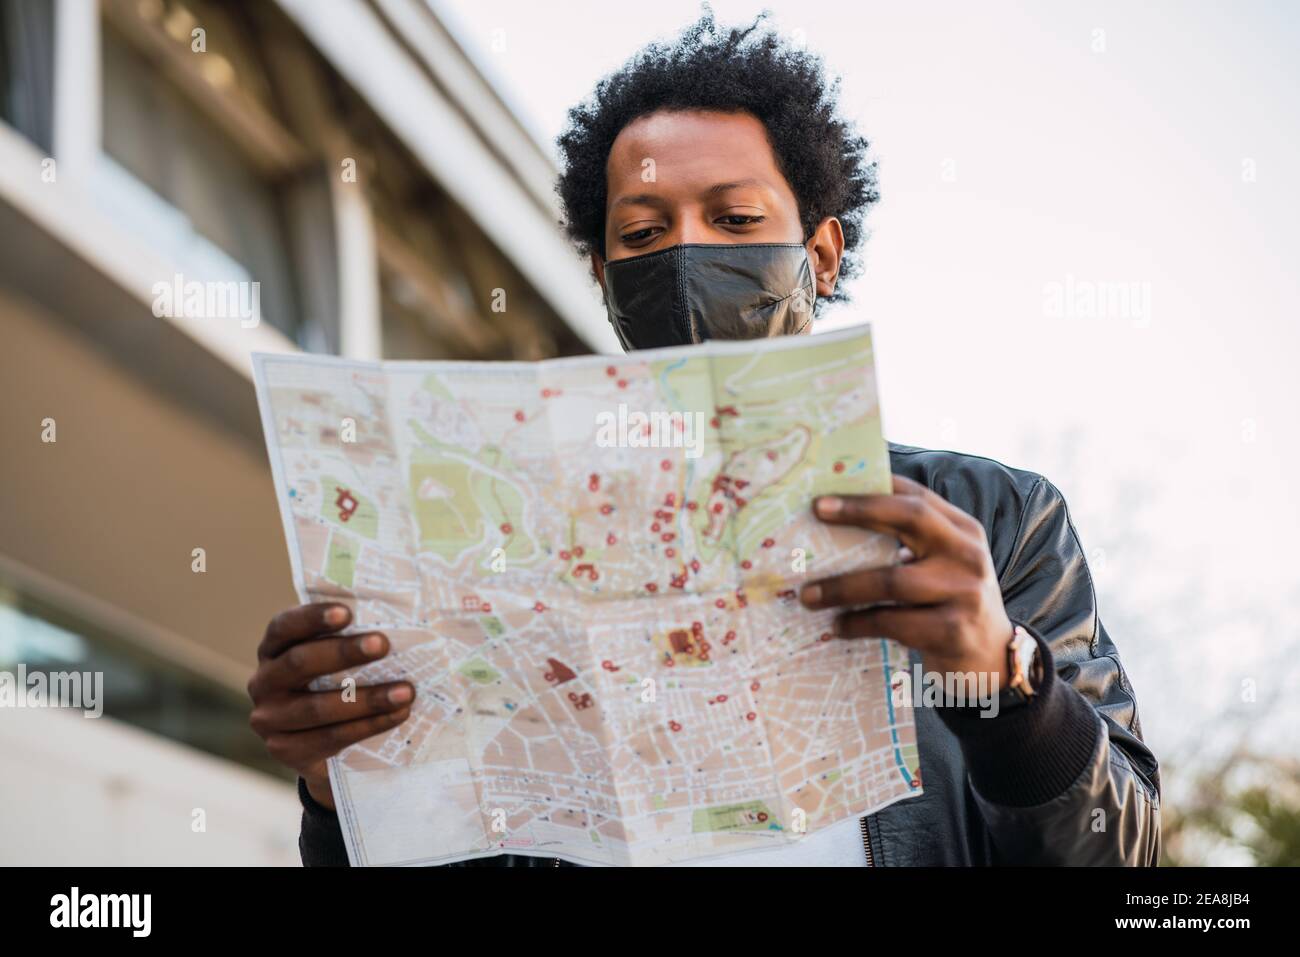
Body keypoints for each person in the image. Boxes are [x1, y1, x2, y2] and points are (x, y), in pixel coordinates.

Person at [247, 10, 1159, 866]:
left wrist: (1009, 681)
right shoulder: (499, 538)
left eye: (734, 219)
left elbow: (1127, 855)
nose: (685, 255)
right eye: (643, 232)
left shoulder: (997, 519)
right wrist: (339, 790)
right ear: (605, 278)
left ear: (822, 254)